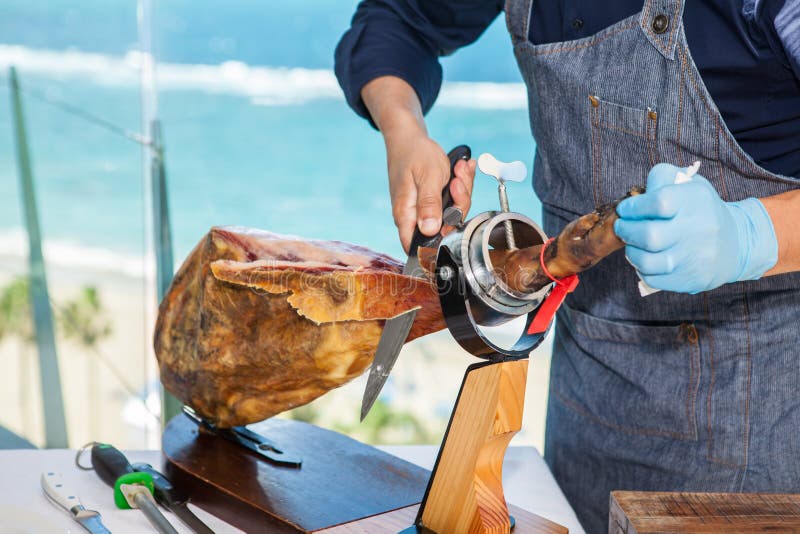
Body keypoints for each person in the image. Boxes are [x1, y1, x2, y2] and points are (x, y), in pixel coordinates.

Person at [335, 1, 800, 532]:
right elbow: (401, 18)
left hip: (763, 424)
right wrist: (403, 131)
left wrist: (749, 236)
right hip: (587, 403)